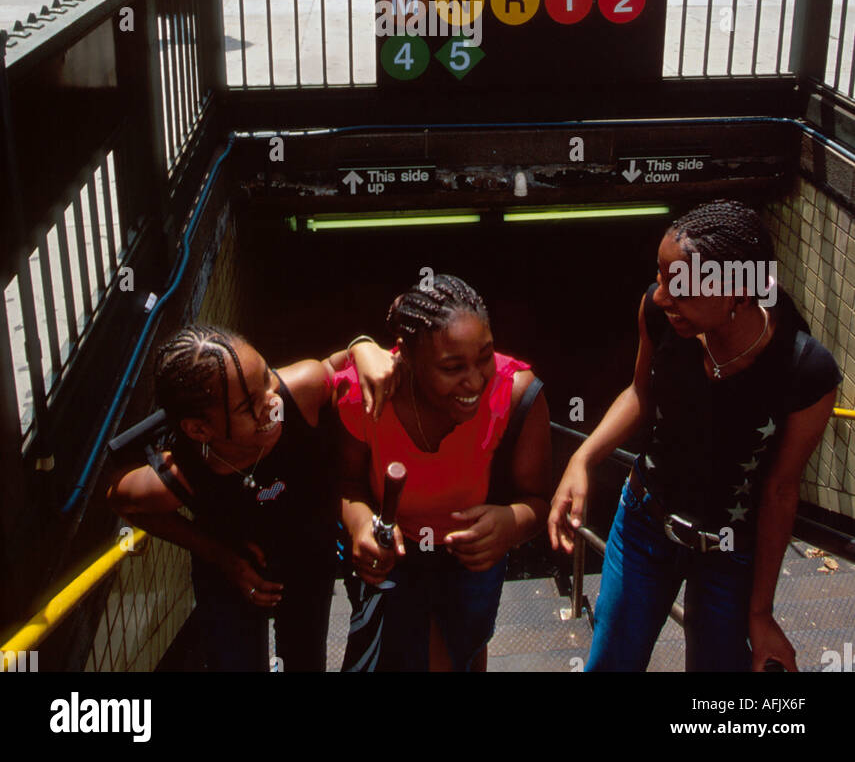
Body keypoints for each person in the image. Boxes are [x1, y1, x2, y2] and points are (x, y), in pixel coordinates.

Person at [549, 200, 840, 673]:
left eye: (679, 286)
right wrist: (582, 459)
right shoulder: (661, 315)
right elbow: (641, 391)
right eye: (661, 277)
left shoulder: (804, 369)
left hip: (730, 549)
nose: (662, 296)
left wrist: (760, 612)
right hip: (645, 523)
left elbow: (781, 490)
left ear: (739, 295)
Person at [107, 326, 397, 672]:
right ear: (199, 430)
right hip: (228, 577)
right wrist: (220, 555)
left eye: (267, 377)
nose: (271, 402)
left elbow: (338, 369)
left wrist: (361, 347)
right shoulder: (184, 475)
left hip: (309, 564)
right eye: (249, 405)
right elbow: (122, 498)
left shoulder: (302, 392)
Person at [337, 275, 551, 672]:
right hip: (394, 556)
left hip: (471, 560)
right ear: (408, 358)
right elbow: (347, 483)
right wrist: (361, 525)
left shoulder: (516, 393)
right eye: (452, 367)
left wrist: (511, 522)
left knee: (464, 649)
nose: (475, 380)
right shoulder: (367, 394)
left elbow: (538, 501)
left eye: (485, 356)